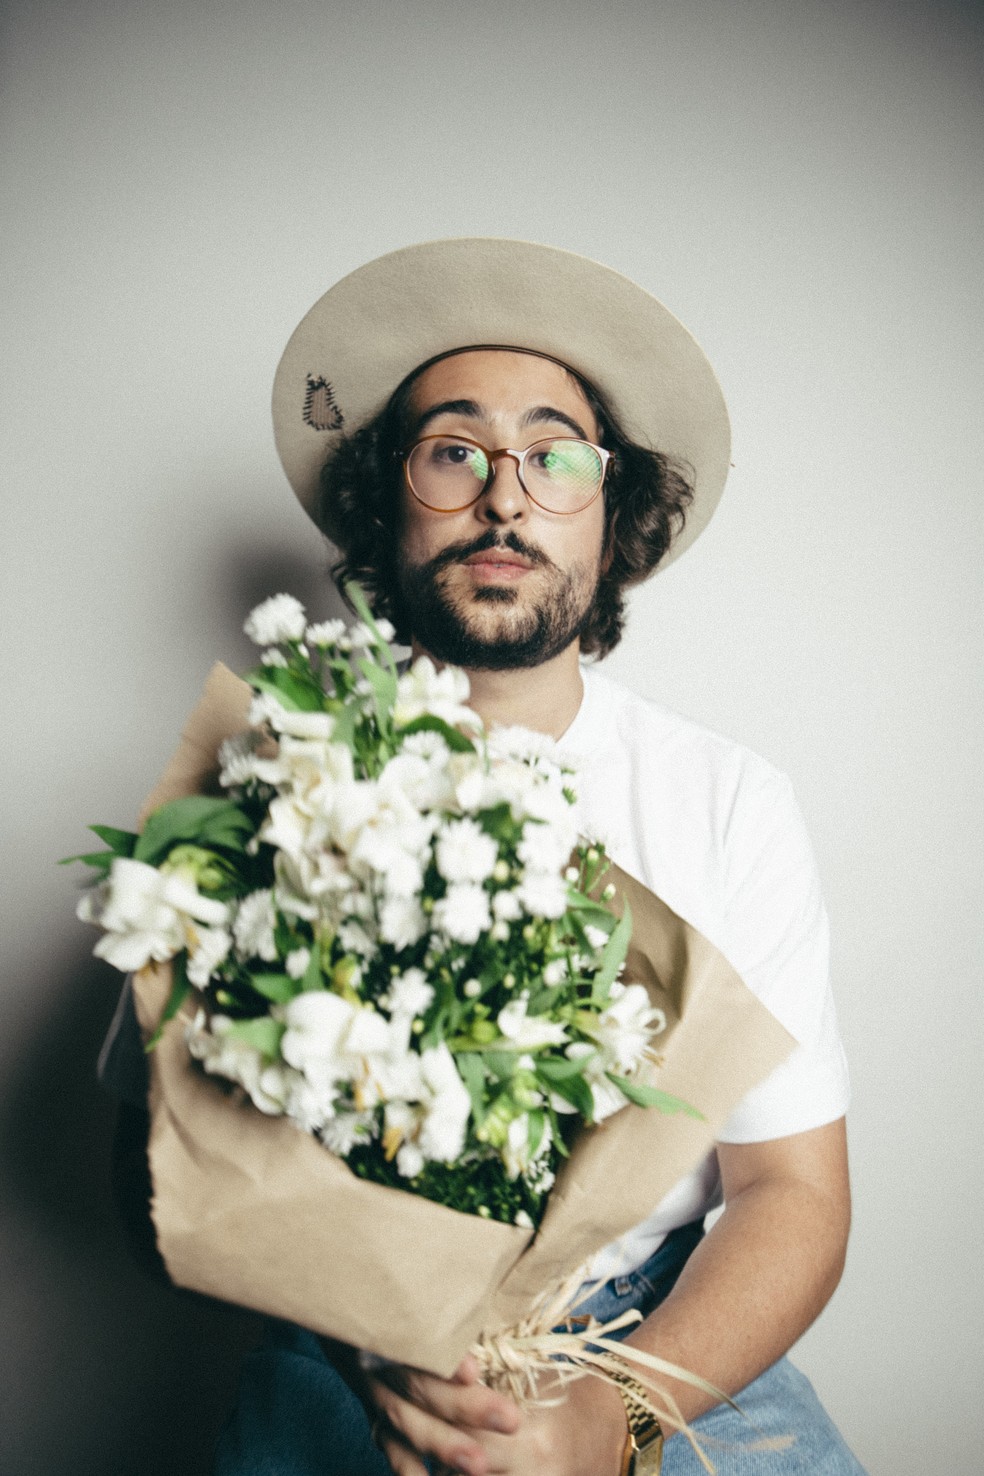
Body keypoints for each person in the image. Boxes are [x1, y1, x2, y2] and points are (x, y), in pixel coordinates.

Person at [103, 239, 864, 1475]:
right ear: (384, 506)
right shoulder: (264, 792)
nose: (505, 496)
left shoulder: (728, 801)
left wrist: (603, 1427)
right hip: (341, 1346)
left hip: (662, 1344)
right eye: (453, 451)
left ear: (613, 522)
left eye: (555, 457)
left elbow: (796, 1196)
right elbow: (149, 1188)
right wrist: (353, 1294)